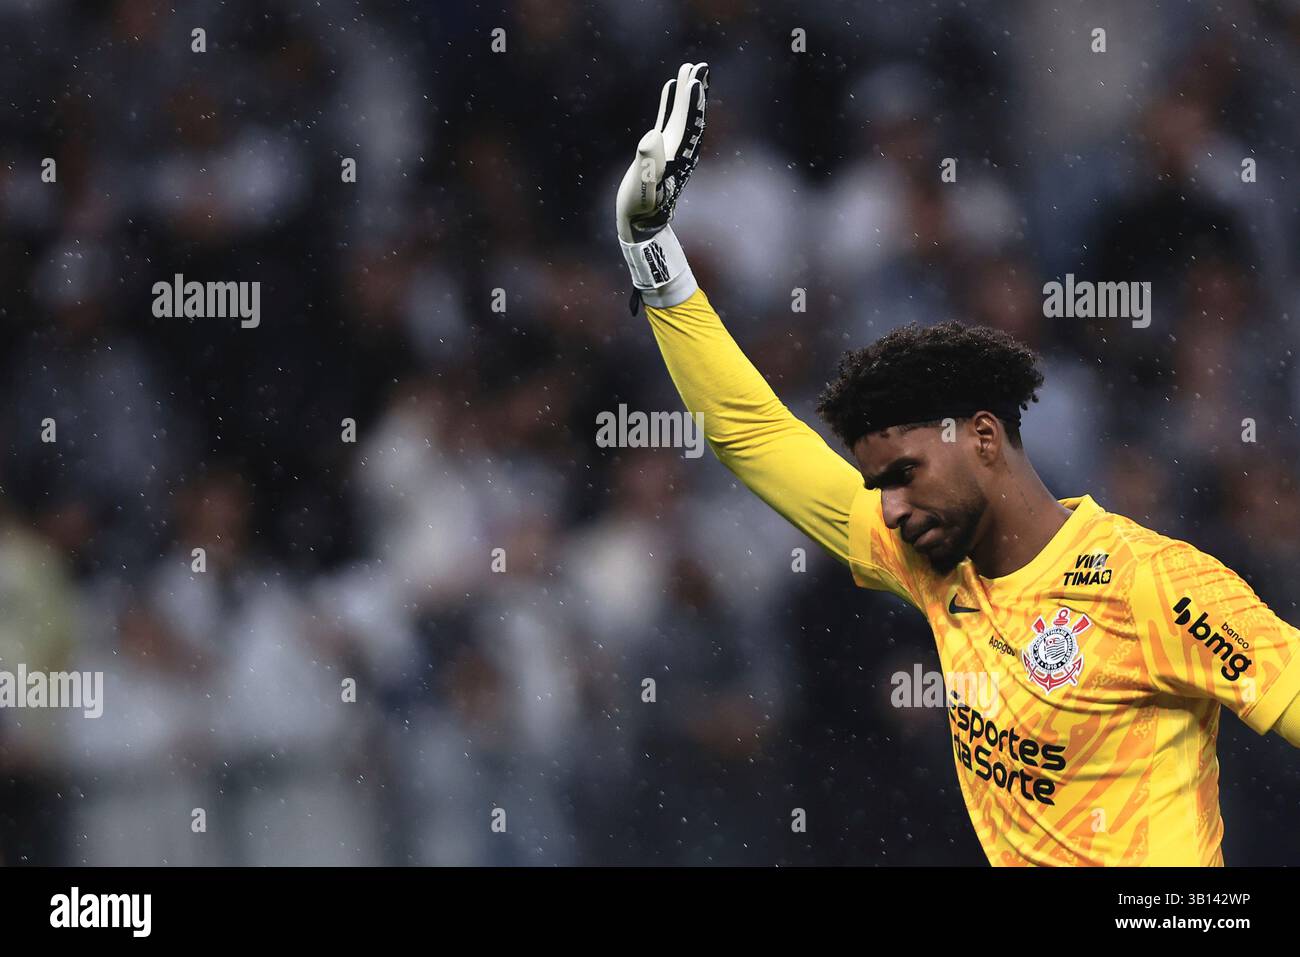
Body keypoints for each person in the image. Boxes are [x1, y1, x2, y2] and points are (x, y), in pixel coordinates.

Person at [613, 62, 1300, 866]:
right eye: (878, 486)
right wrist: (655, 255)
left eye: (902, 475)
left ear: (981, 438)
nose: (890, 509)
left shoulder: (1153, 584)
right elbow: (753, 434)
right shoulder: (928, 563)